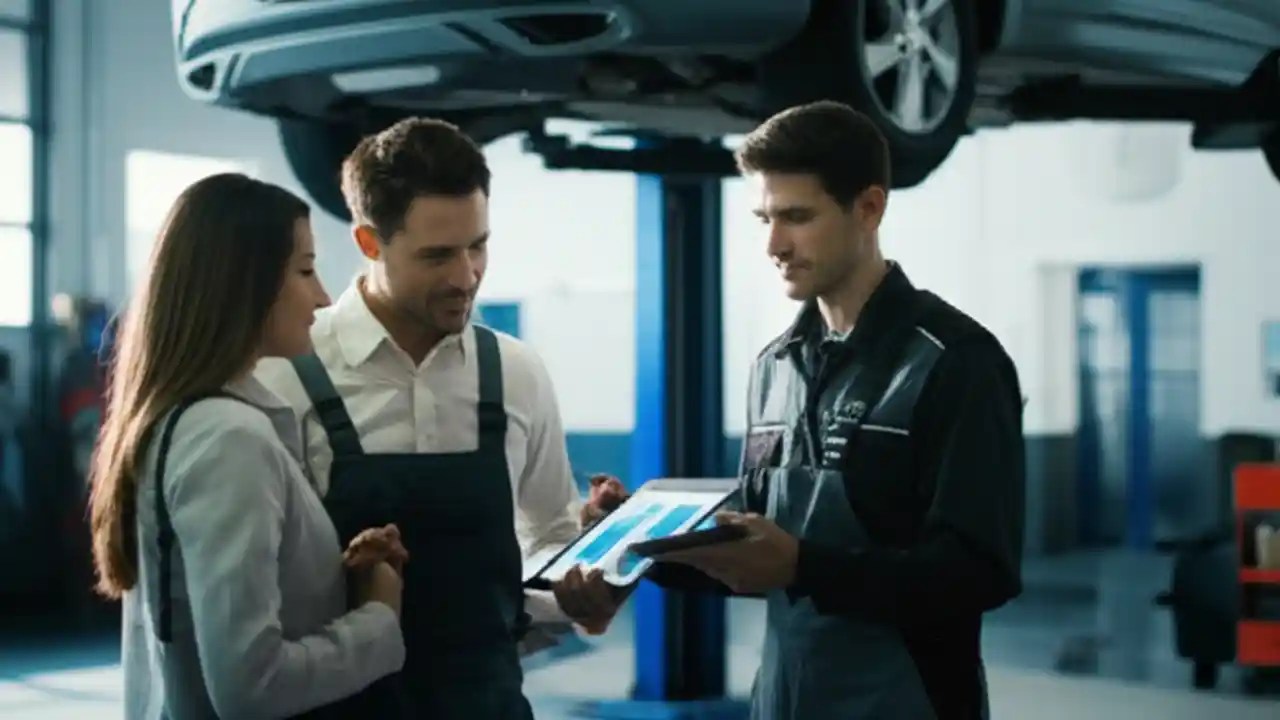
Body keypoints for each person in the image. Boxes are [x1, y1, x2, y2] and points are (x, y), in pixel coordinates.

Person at [653, 101, 1026, 720]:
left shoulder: (956, 362)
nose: (774, 244)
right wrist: (639, 547)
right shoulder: (774, 368)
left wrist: (803, 566)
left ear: (869, 208)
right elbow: (751, 552)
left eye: (797, 217)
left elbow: (979, 573)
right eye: (764, 218)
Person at [255, 117, 626, 718]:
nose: (466, 276)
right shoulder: (285, 372)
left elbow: (547, 541)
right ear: (370, 242)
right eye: (436, 255)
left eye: (477, 245)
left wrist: (588, 580)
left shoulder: (516, 373)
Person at [89, 173, 410, 719]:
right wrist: (378, 616)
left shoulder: (185, 422)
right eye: (305, 270)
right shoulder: (228, 438)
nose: (323, 295)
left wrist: (335, 576)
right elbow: (250, 687)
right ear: (245, 285)